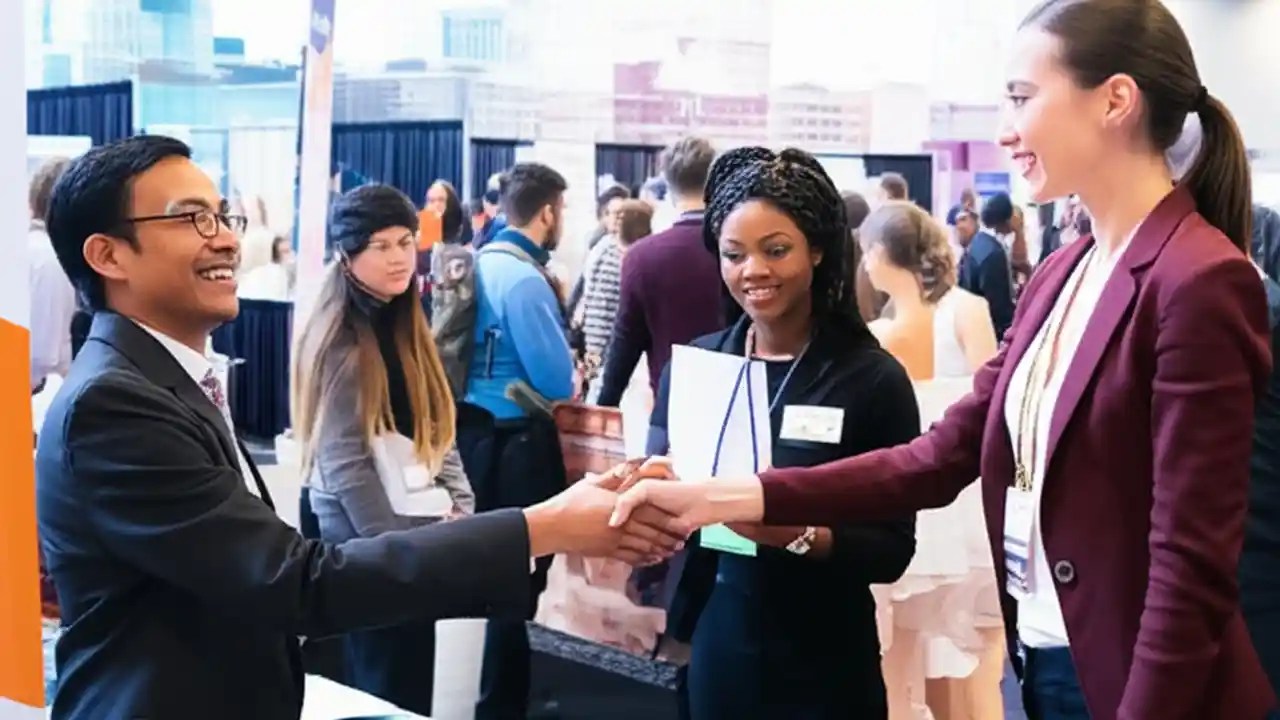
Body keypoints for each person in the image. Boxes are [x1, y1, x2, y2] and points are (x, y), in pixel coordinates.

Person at [614, 1, 1277, 717]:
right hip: (1049, 665)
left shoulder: (1198, 279)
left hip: (1138, 685)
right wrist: (717, 497)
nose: (1005, 129)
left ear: (1116, 100)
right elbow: (935, 458)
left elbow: (1191, 566)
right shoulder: (1064, 272)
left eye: (1022, 98)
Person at [34, 135, 683, 720]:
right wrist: (544, 526)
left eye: (223, 215)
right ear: (108, 254)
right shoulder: (114, 404)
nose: (226, 237)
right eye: (191, 218)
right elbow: (297, 584)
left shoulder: (163, 377)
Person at [656, 147, 919, 719]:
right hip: (720, 643)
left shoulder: (870, 379)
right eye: (734, 254)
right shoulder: (701, 367)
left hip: (825, 656)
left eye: (775, 251)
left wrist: (795, 533)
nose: (753, 270)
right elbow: (672, 500)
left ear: (817, 251)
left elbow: (892, 550)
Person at [292, 185, 480, 714]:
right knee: (375, 688)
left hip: (412, 530)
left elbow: (436, 425)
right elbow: (345, 463)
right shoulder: (338, 337)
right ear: (348, 254)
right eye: (382, 245)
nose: (400, 257)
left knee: (406, 684)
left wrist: (461, 513)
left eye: (406, 241)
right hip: (362, 544)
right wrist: (398, 551)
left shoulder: (402, 320)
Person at [857, 201, 1004, 719]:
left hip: (930, 485)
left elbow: (990, 401)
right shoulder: (959, 310)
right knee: (953, 652)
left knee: (917, 648)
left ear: (878, 252)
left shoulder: (886, 330)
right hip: (956, 496)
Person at [595, 136, 722, 406]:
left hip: (670, 407)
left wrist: (606, 403)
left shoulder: (641, 257)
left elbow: (626, 341)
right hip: (737, 400)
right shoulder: (737, 252)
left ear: (668, 184)